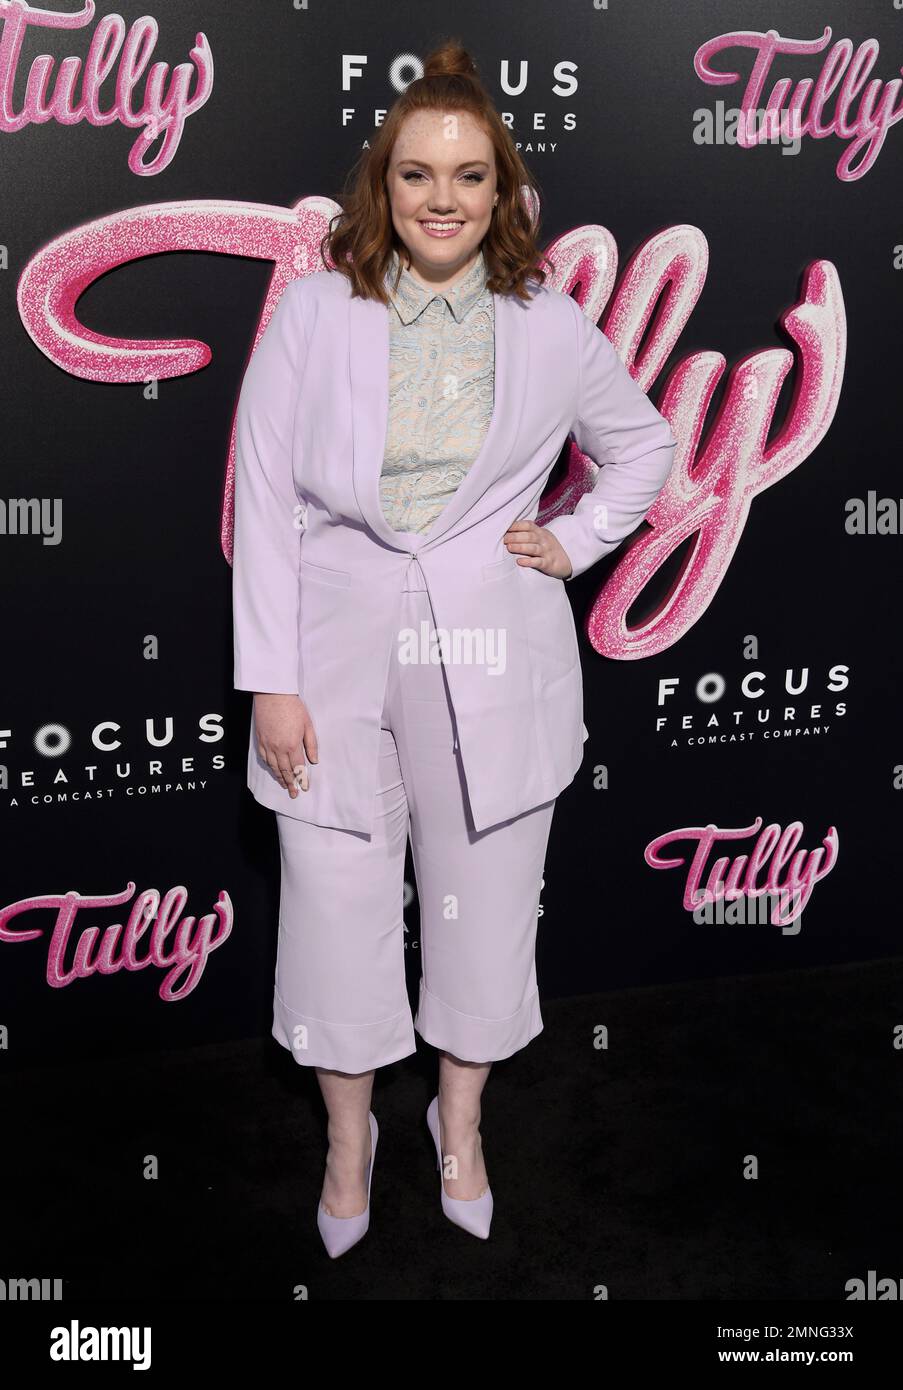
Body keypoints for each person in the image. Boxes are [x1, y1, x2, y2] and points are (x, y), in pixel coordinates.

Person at [231, 37, 677, 1258]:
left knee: (480, 900)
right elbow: (264, 494)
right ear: (383, 185)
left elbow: (643, 450)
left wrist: (576, 539)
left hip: (491, 644)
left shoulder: (548, 322)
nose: (441, 198)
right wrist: (270, 676)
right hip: (329, 648)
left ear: (503, 189)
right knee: (331, 895)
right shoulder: (317, 312)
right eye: (417, 174)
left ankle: (460, 1122)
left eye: (468, 175)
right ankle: (347, 1137)